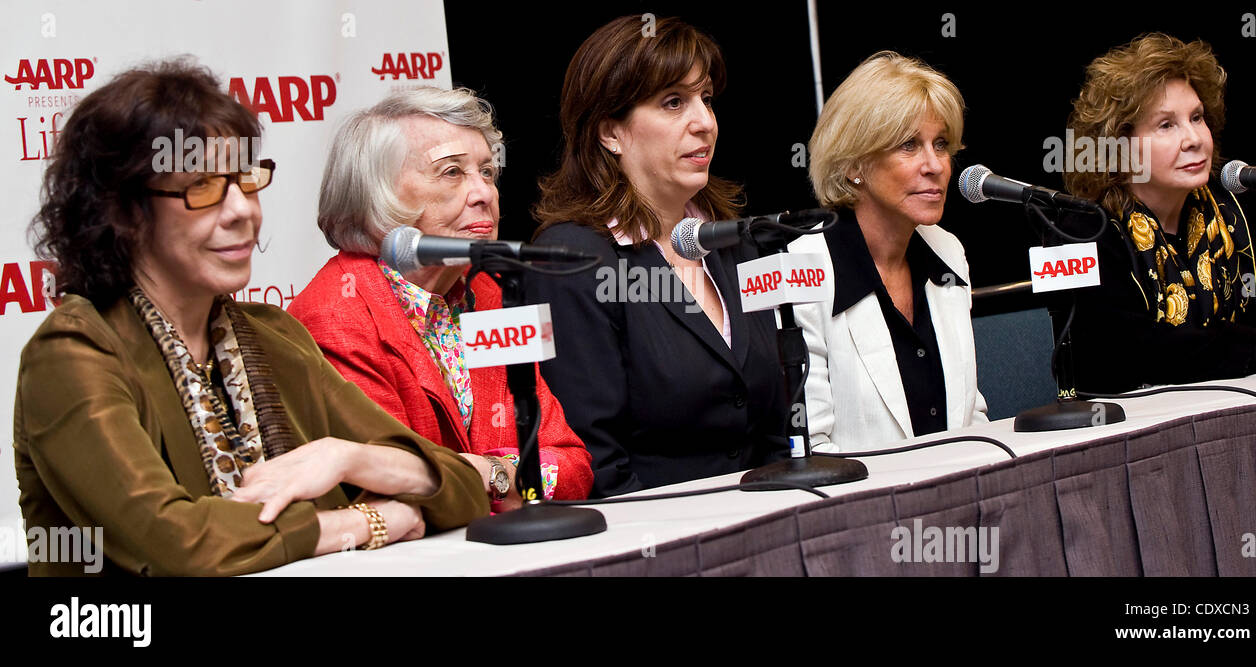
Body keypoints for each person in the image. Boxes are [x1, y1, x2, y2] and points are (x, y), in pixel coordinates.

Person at [15, 60, 487, 576]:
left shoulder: (273, 336)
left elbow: (462, 488)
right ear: (125, 211)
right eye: (203, 186)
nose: (243, 210)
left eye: (244, 177)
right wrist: (361, 524)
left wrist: (350, 458)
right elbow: (178, 545)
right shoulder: (72, 352)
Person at [289, 88, 592, 509]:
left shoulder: (491, 291)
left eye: (487, 172)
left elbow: (573, 465)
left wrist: (490, 474)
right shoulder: (334, 315)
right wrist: (509, 477)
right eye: (452, 172)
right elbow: (401, 488)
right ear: (378, 194)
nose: (483, 193)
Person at [527, 15, 788, 497]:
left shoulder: (735, 241)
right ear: (611, 133)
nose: (705, 123)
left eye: (706, 99)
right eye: (673, 102)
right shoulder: (573, 260)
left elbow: (774, 429)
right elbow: (597, 463)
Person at [1064, 33, 1256, 393]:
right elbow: (1138, 355)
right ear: (1120, 145)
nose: (1193, 138)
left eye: (1197, 117)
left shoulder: (1237, 208)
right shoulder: (1086, 229)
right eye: (1166, 125)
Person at [792, 51, 988, 451]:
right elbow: (810, 449)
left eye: (941, 144)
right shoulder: (803, 268)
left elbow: (971, 415)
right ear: (854, 165)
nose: (935, 165)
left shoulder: (948, 251)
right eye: (909, 145)